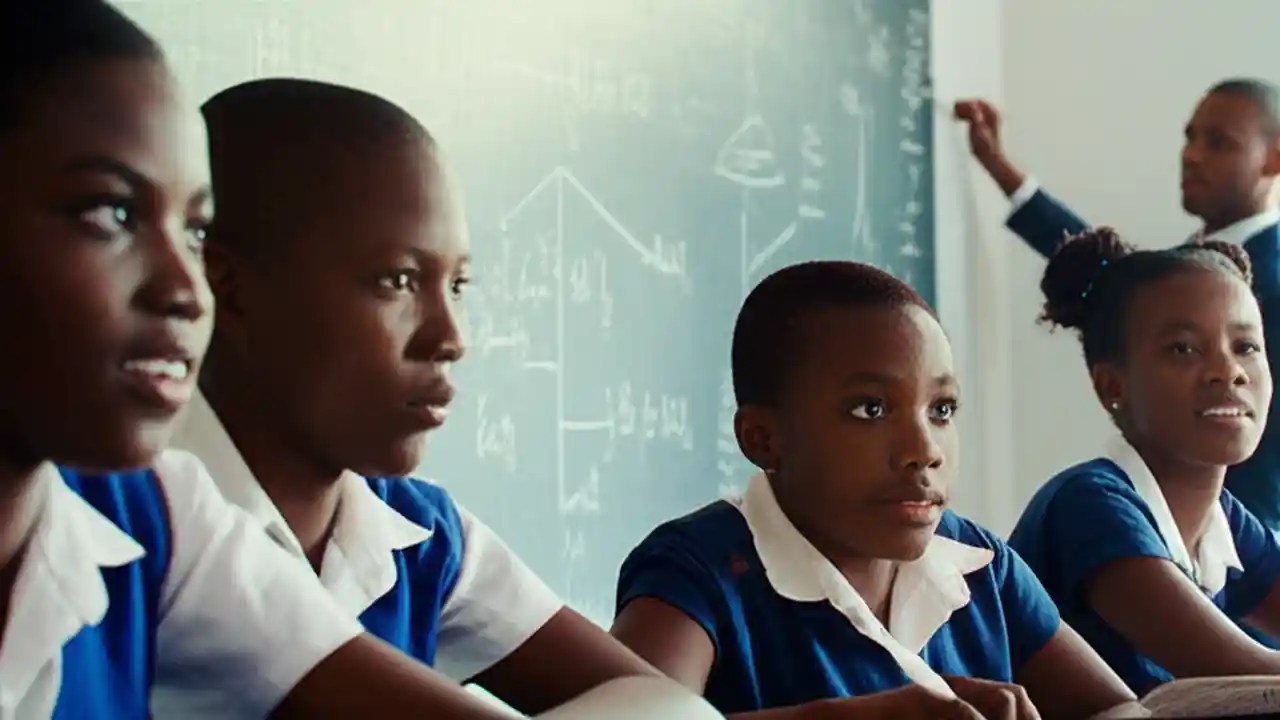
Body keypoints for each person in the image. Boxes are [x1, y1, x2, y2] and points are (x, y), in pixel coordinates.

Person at [0, 3, 707, 718]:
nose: (185, 290)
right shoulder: (143, 509)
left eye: (192, 229)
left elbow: (670, 708)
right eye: (109, 213)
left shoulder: (173, 515)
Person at [153, 77, 664, 717]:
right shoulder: (131, 519)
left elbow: (665, 704)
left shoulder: (417, 531)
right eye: (397, 281)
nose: (450, 338)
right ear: (227, 291)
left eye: (458, 286)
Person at [610, 261, 1139, 719]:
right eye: (871, 409)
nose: (924, 449)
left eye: (941, 410)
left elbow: (1119, 710)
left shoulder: (981, 568)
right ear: (764, 439)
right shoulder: (699, 572)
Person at [954, 82, 1280, 530]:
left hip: (1244, 532)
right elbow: (1108, 272)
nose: (1192, 155)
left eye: (1219, 143)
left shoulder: (1270, 280)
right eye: (1190, 137)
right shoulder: (1195, 265)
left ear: (1273, 160)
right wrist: (1002, 171)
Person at [1009, 228, 1280, 694]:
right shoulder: (1090, 506)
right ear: (1112, 386)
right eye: (1183, 349)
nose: (1228, 371)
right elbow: (1240, 672)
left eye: (1246, 347)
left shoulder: (1225, 525)